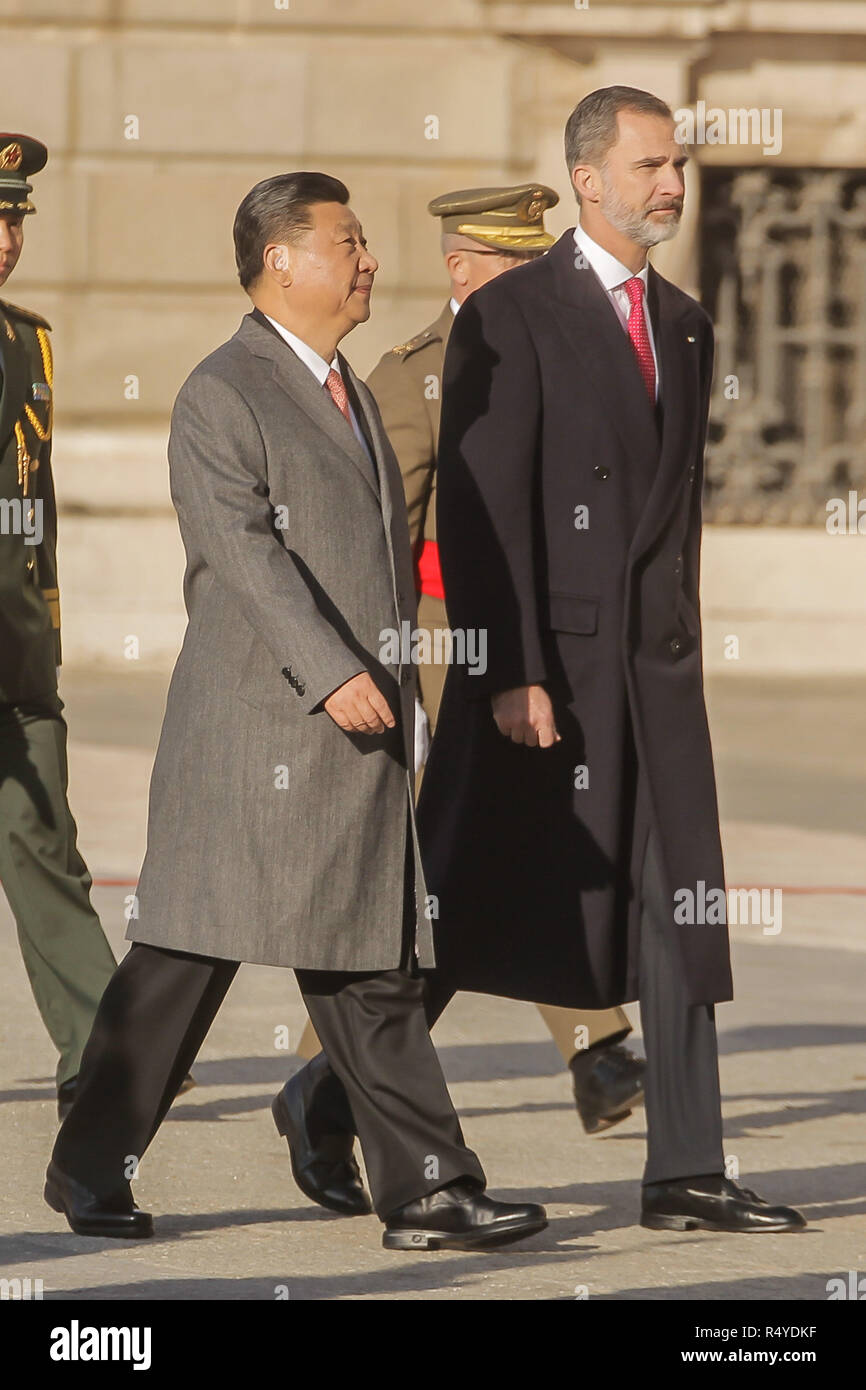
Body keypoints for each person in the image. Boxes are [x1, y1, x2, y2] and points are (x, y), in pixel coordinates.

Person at [45, 171, 546, 1253]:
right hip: (255, 733)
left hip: (353, 736)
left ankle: (425, 1190)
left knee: (371, 967)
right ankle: (92, 1164)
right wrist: (330, 672)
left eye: (364, 243)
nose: (368, 260)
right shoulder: (221, 391)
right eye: (348, 242)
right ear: (283, 259)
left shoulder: (354, 390)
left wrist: (397, 688)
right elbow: (244, 555)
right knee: (181, 965)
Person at [290, 182, 646, 1148]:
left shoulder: (567, 357)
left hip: (553, 645)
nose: (542, 282)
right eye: (518, 267)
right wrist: (390, 673)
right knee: (473, 861)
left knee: (492, 865)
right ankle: (593, 1045)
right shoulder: (417, 376)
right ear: (463, 271)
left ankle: (330, 1094)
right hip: (454, 644)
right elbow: (386, 539)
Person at [0, 133, 183, 1122]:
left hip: (16, 654)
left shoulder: (24, 340)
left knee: (43, 851)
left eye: (15, 217)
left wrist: (43, 648)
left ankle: (102, 1056)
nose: (5, 237)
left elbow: (34, 518)